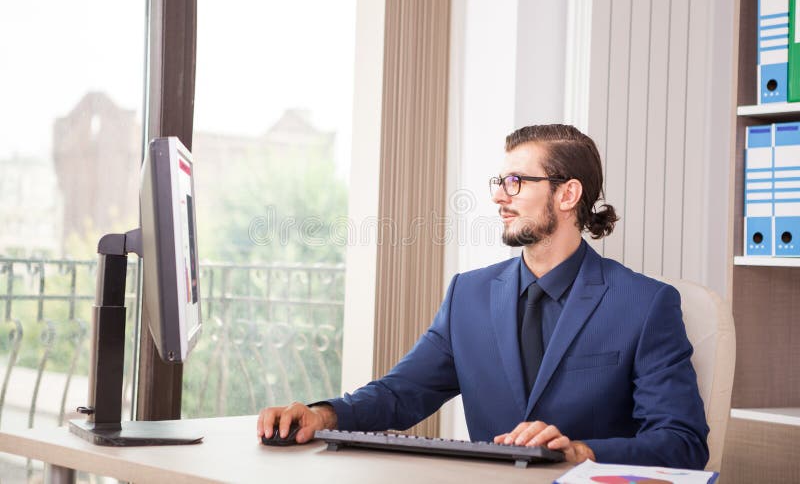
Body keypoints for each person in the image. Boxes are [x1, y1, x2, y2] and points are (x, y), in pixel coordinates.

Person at [256, 124, 709, 469]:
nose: (498, 196)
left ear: (568, 193)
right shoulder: (467, 296)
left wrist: (579, 451)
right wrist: (322, 414)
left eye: (516, 182)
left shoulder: (645, 304)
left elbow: (683, 442)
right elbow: (400, 394)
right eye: (499, 181)